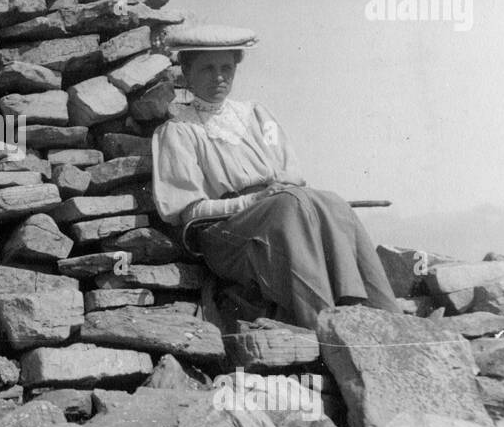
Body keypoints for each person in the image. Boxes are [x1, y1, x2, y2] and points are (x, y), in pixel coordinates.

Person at [151, 25, 397, 330]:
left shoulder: (256, 114)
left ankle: (380, 316)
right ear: (187, 72)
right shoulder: (178, 131)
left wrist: (277, 193)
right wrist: (254, 200)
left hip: (281, 208)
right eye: (207, 68)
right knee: (290, 205)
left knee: (331, 202)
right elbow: (188, 211)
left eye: (227, 67)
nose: (219, 77)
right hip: (226, 233)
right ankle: (322, 323)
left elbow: (291, 174)